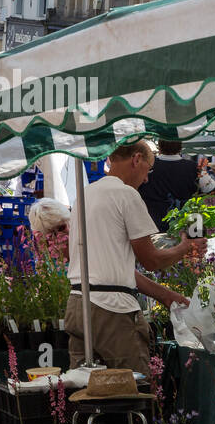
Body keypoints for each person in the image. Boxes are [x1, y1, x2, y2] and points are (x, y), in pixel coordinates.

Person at [64, 142, 204, 374]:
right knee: (133, 391)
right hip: (111, 311)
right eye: (148, 170)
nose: (147, 179)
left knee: (86, 392)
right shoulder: (126, 194)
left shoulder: (85, 194)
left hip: (78, 304)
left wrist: (166, 295)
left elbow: (116, 269)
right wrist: (185, 248)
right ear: (136, 159)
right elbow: (152, 261)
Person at [136, 140, 198, 232]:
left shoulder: (147, 166)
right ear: (180, 148)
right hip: (187, 226)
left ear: (159, 147)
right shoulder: (195, 168)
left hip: (152, 225)